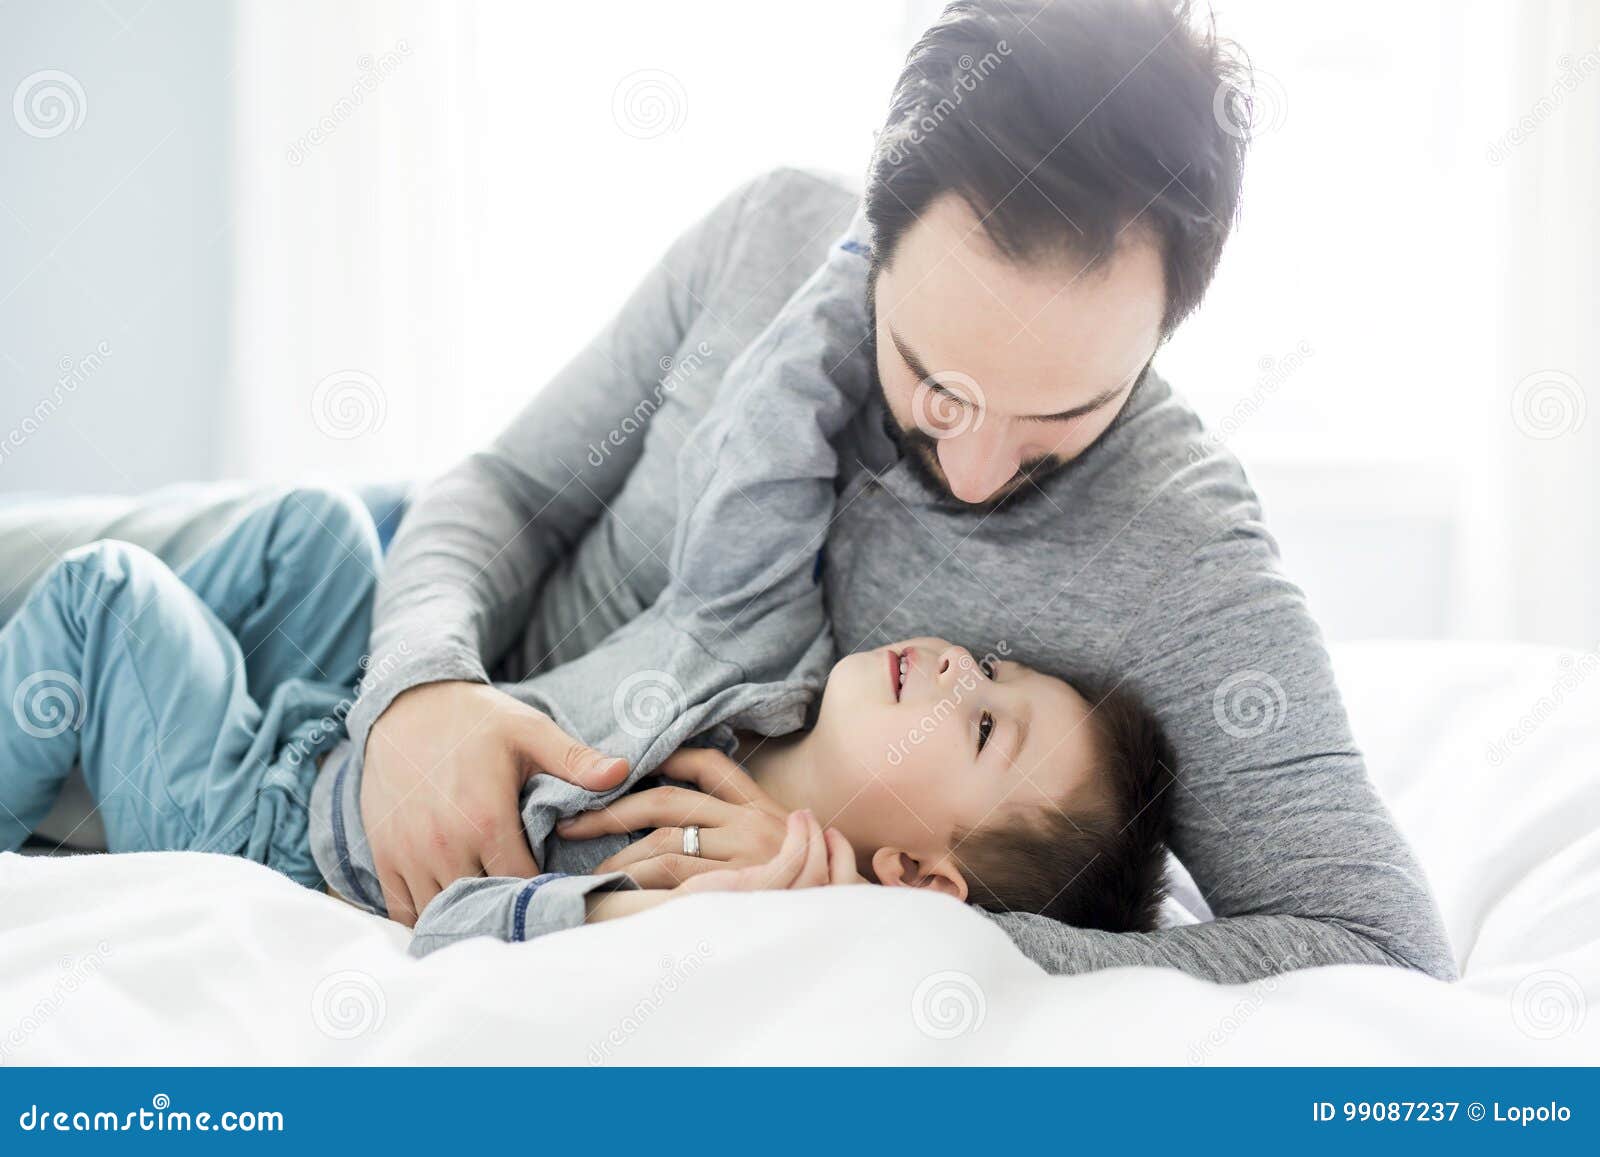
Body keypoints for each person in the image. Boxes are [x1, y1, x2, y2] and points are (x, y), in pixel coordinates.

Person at [345, 0, 1455, 982]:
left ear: (1166, 325)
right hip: (357, 573)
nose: (974, 473)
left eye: (1063, 415)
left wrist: (868, 916)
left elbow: (1379, 947)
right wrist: (417, 686)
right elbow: (509, 486)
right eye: (932, 384)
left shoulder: (1184, 564)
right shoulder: (773, 234)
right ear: (874, 242)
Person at [0, 491, 1177, 957]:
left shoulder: (717, 879)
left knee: (108, 595)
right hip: (337, 727)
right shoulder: (775, 683)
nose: (958, 669)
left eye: (982, 729)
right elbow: (757, 485)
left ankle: (47, 834)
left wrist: (615, 901)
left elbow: (466, 927)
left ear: (921, 876)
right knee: (319, 530)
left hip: (287, 833)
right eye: (991, 665)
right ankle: (108, 771)